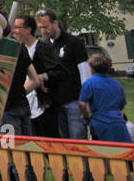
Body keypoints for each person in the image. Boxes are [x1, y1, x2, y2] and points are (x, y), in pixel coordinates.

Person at [34, 8, 89, 140]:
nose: (43, 31)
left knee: (78, 137)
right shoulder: (43, 46)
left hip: (73, 98)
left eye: (45, 27)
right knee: (63, 138)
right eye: (40, 28)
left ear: (55, 23)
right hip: (54, 102)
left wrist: (86, 97)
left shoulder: (73, 43)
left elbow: (84, 70)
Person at [78, 53, 128, 143]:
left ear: (92, 69)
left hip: (99, 122)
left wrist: (86, 117)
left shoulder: (90, 83)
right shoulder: (117, 84)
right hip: (118, 122)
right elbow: (122, 106)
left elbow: (82, 103)